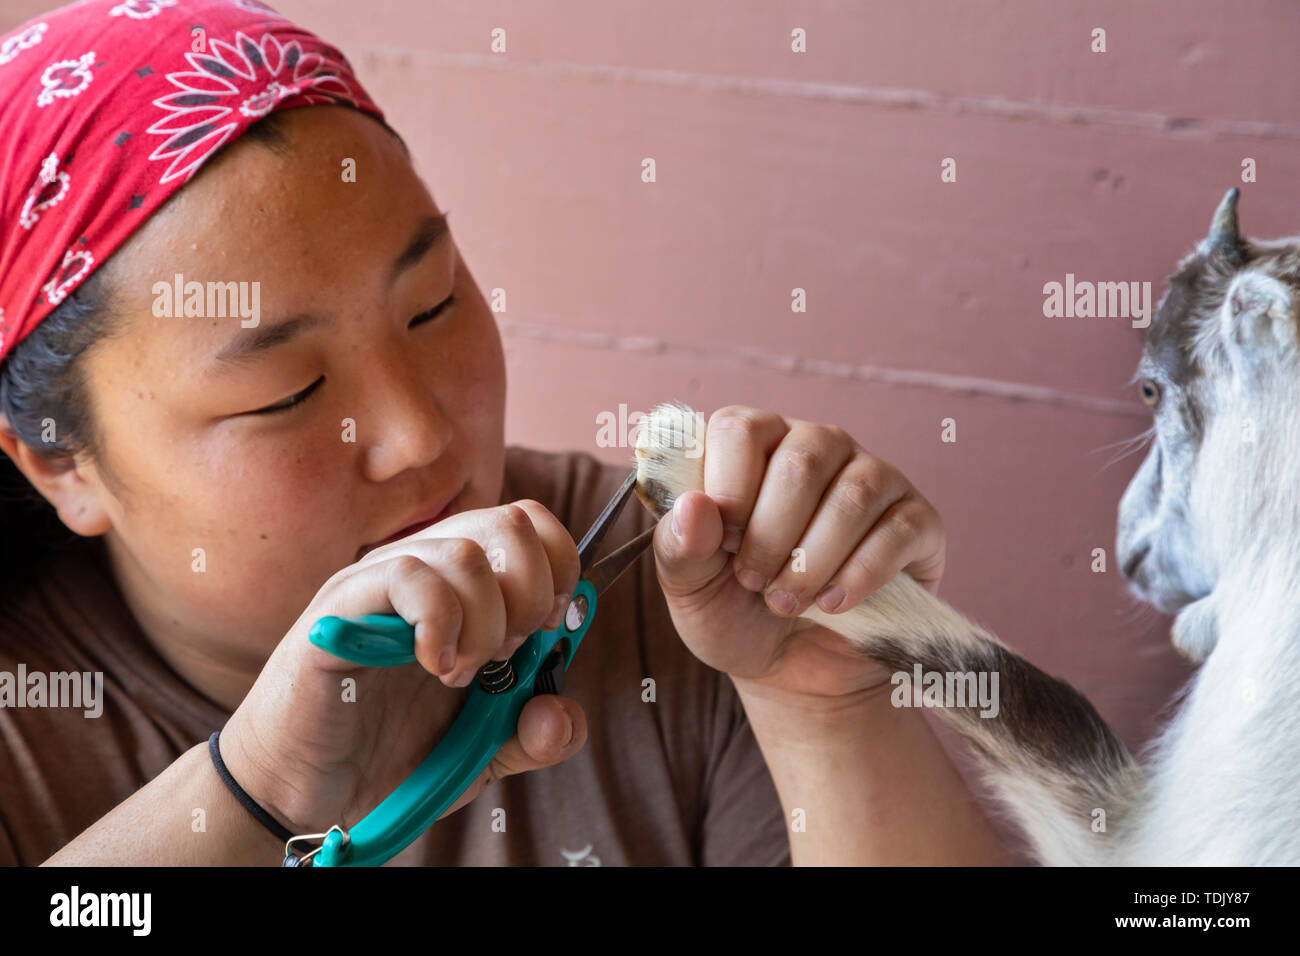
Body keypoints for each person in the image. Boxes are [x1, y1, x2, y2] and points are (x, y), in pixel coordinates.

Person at [0, 0, 1005, 866]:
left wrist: (825, 707)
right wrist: (257, 790)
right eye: (285, 390)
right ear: (59, 459)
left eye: (432, 304)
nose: (420, 434)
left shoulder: (691, 593)